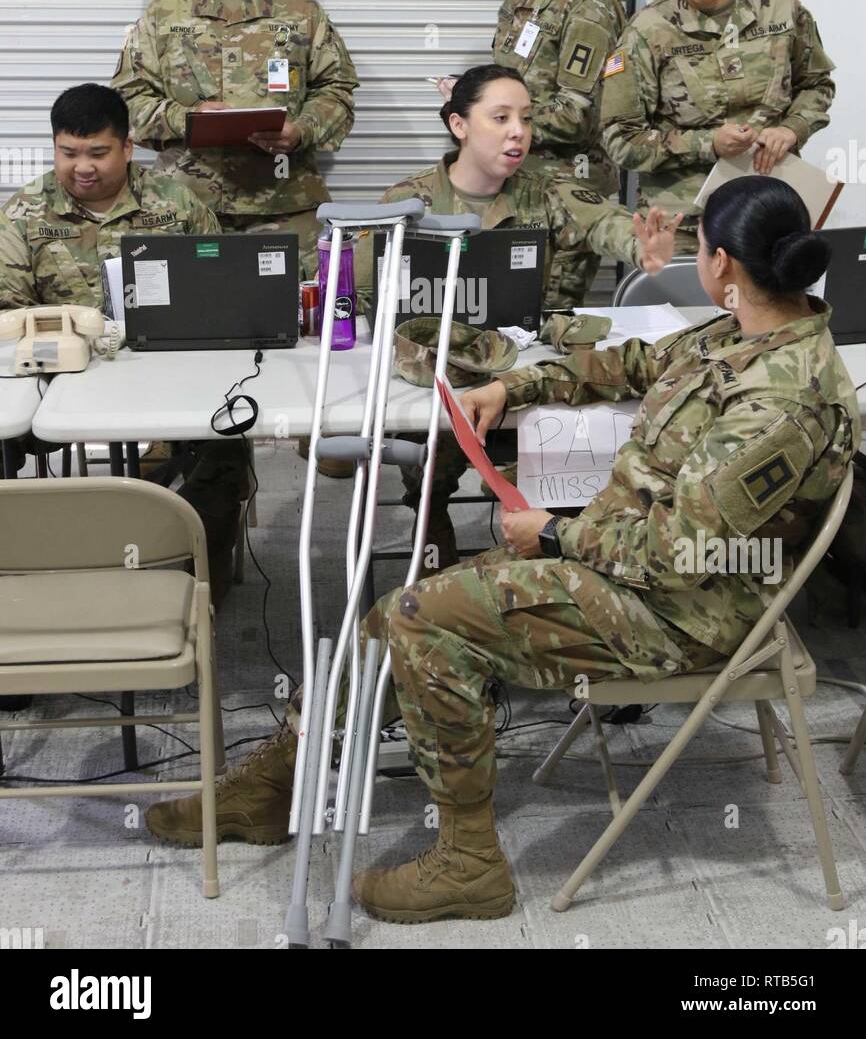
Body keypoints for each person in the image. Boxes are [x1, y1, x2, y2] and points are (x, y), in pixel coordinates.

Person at [142, 171, 857, 931]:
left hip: (683, 613)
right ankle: (280, 782)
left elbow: (678, 551)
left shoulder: (782, 401)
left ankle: (469, 863)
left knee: (423, 618)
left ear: (721, 265)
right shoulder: (738, 333)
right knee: (393, 615)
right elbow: (627, 364)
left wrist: (552, 532)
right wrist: (512, 389)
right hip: (623, 568)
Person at [353, 63, 681, 568]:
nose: (518, 133)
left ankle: (550, 574)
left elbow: (604, 222)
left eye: (526, 120)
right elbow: (363, 287)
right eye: (500, 117)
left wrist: (641, 248)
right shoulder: (408, 202)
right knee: (428, 481)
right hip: (436, 381)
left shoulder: (547, 190)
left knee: (575, 476)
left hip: (529, 381)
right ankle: (433, 578)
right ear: (459, 125)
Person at [0, 83, 249, 606]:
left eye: (97, 153)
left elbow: (227, 289)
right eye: (68, 153)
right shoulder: (24, 213)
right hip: (60, 381)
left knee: (228, 446)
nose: (82, 167)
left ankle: (191, 574)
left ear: (127, 147)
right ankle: (18, 577)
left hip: (167, 373)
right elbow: (8, 312)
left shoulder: (176, 203)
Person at [112, 0, 358, 279]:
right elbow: (125, 102)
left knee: (298, 322)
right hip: (186, 207)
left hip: (284, 203)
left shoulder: (299, 10)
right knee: (189, 319)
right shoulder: (164, 15)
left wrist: (300, 129)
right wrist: (185, 118)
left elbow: (338, 90)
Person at [601, 0, 835, 253]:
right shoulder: (647, 33)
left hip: (768, 212)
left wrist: (792, 129)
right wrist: (707, 144)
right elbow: (620, 138)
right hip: (686, 228)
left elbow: (817, 84)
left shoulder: (779, 6)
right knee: (682, 309)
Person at [439, 0, 625, 302]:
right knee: (504, 314)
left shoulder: (589, 5)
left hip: (563, 193)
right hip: (519, 183)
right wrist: (469, 92)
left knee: (544, 323)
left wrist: (489, 120)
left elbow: (576, 113)